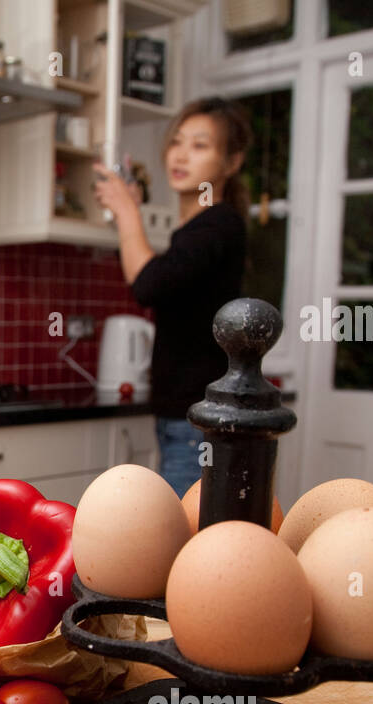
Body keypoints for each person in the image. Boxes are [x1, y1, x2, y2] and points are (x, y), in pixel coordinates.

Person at [93, 97, 251, 497]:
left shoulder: (219, 223)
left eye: (200, 145)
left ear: (231, 163)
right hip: (181, 417)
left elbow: (147, 286)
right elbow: (153, 277)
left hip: (195, 421)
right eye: (177, 142)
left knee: (180, 547)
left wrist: (128, 211)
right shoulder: (199, 231)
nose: (181, 155)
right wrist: (132, 212)